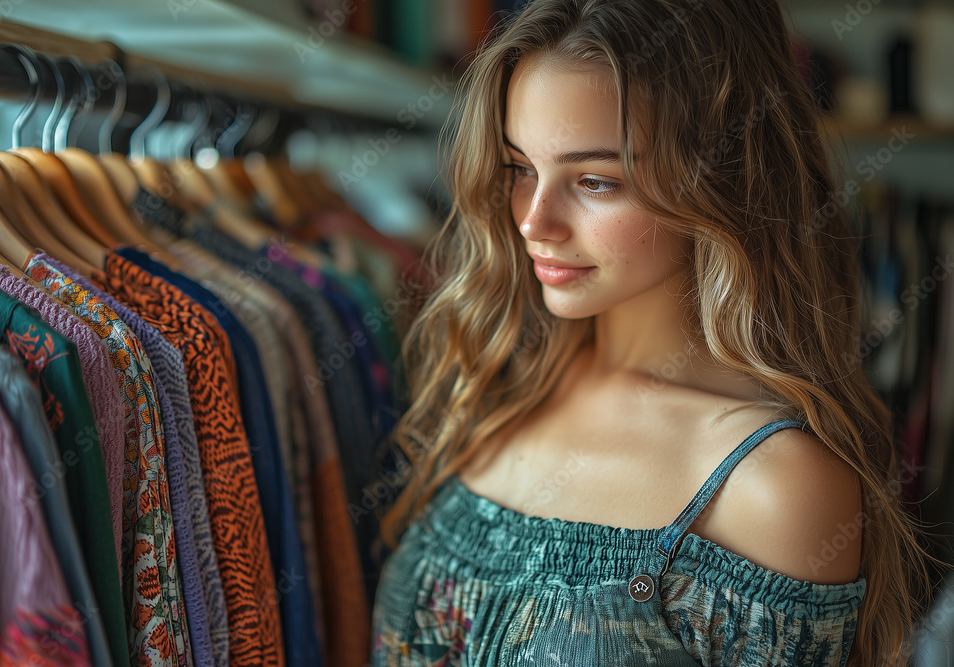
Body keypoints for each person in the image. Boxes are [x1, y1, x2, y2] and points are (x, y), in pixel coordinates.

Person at [371, 0, 934, 664]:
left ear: (722, 176)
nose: (532, 221)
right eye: (520, 168)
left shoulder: (772, 486)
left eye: (594, 181)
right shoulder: (501, 375)